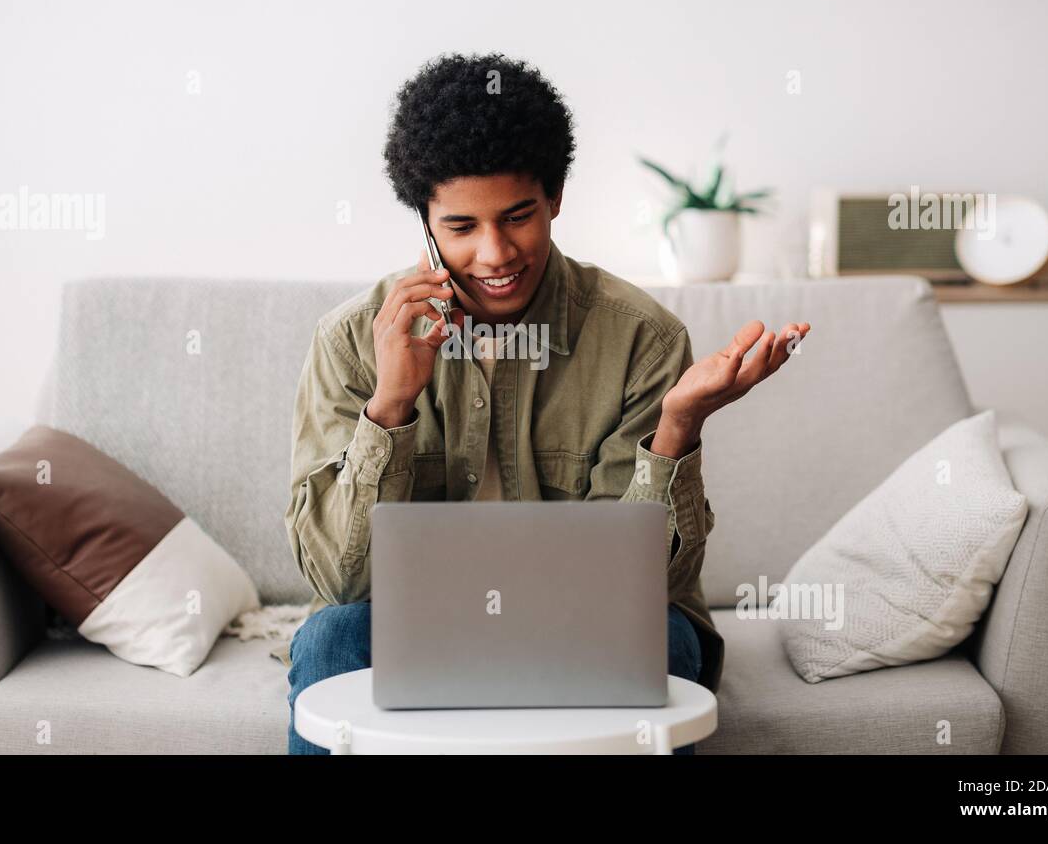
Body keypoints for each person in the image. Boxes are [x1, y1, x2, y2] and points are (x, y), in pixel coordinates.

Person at [282, 52, 810, 755]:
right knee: (331, 638)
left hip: (591, 622)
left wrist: (678, 428)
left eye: (518, 216)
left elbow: (653, 586)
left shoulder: (641, 336)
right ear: (426, 224)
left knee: (662, 639)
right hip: (417, 622)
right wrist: (391, 404)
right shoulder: (353, 339)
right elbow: (339, 578)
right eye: (462, 227)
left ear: (556, 194)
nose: (496, 253)